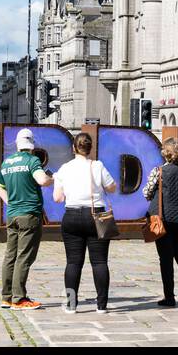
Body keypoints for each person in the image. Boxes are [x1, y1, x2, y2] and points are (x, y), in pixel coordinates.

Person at [51, 132, 118, 314]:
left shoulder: (64, 169)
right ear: (90, 149)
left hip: (72, 216)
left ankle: (71, 304)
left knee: (73, 263)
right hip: (96, 215)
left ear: (74, 148)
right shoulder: (97, 166)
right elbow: (112, 187)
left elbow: (57, 198)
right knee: (99, 262)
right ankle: (101, 305)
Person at [0, 128, 52, 310]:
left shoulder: (7, 163)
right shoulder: (32, 160)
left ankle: (7, 297)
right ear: (32, 145)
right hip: (29, 214)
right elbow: (42, 180)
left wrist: (10, 201)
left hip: (12, 214)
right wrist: (52, 178)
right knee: (24, 256)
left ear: (18, 144)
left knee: (10, 255)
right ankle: (19, 299)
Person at [142, 137, 178, 307]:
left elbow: (147, 193)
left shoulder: (159, 171)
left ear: (165, 153)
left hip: (163, 219)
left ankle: (170, 297)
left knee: (165, 258)